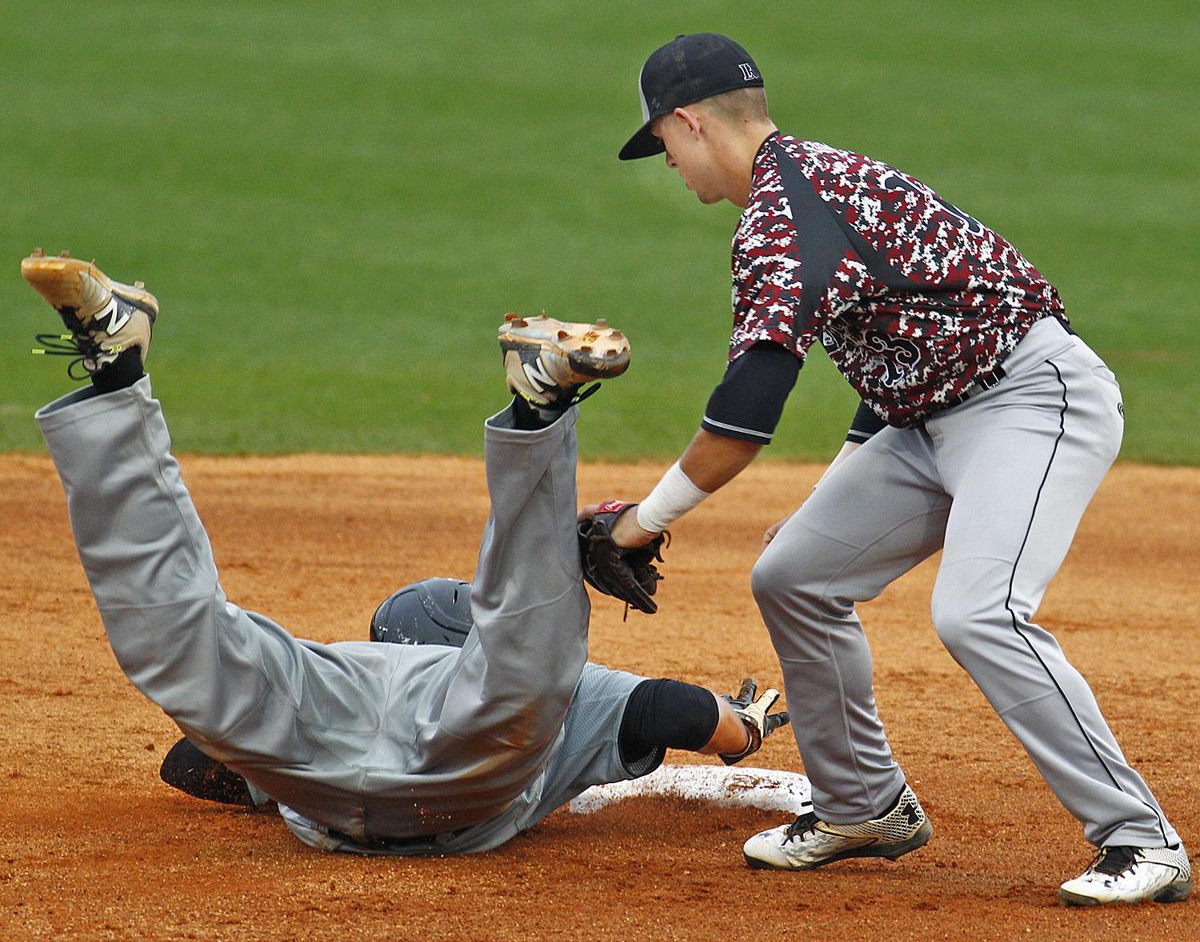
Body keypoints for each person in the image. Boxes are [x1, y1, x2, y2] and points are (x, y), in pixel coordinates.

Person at [598, 33, 1190, 905]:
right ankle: (863, 808)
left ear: (689, 123)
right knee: (794, 574)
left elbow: (743, 417)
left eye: (663, 145)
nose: (670, 166)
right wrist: (830, 494)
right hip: (926, 421)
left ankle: (1142, 839)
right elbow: (901, 347)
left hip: (1030, 399)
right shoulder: (817, 181)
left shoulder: (786, 218)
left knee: (979, 613)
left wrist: (640, 523)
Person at [21, 249, 788, 857]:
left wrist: (259, 769)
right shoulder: (563, 690)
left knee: (179, 644)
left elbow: (185, 765)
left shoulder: (349, 665)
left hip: (322, 747)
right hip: (457, 787)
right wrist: (741, 728)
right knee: (530, 667)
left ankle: (117, 372)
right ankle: (538, 411)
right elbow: (669, 709)